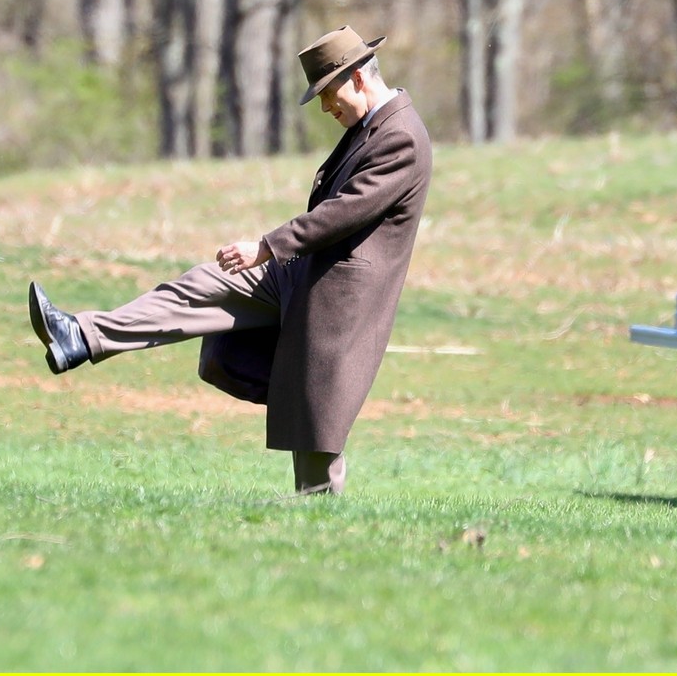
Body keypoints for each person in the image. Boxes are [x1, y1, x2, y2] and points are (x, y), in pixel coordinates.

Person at [27, 25, 433, 494]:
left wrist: (267, 245)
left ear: (359, 77)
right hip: (300, 273)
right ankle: (82, 335)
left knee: (318, 428)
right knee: (204, 284)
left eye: (328, 93)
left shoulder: (401, 136)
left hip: (339, 298)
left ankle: (321, 523)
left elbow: (343, 212)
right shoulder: (371, 125)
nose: (325, 107)